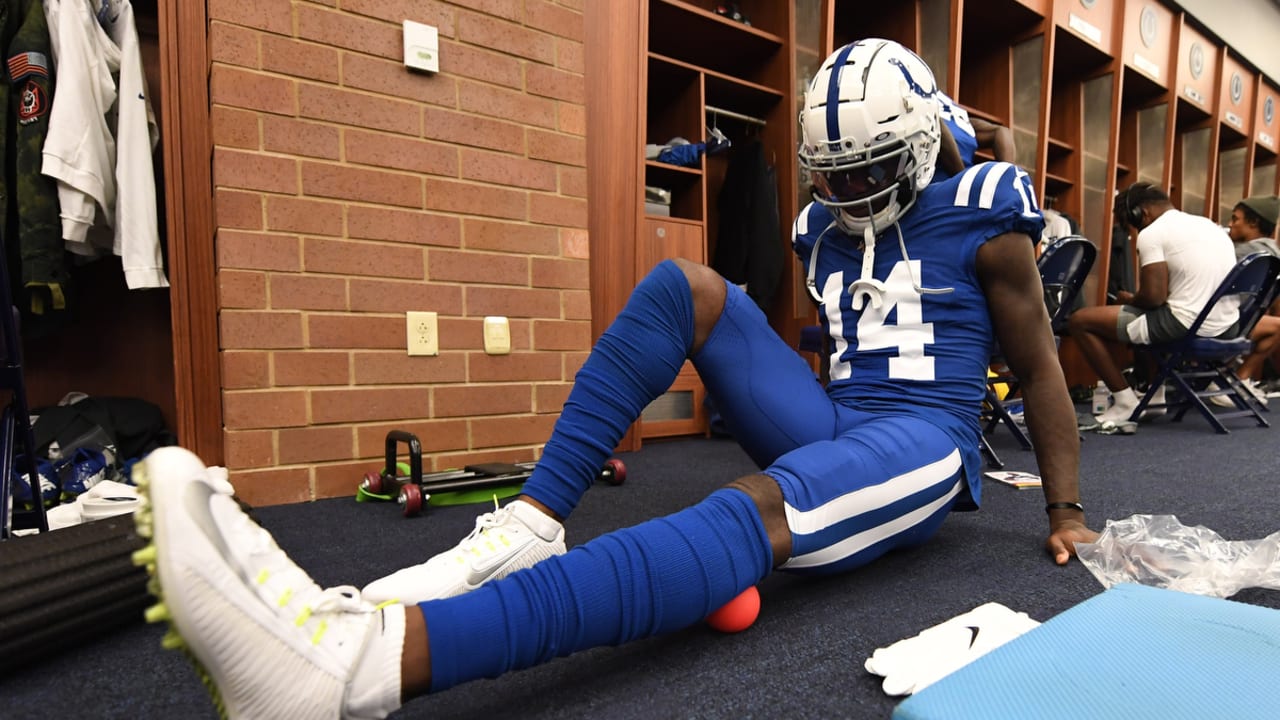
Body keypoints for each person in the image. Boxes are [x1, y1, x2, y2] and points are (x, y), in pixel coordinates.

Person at [130, 39, 1095, 719]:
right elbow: (831, 326)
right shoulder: (819, 225)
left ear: (923, 142)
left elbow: (1040, 368)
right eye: (829, 176)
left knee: (743, 510)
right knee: (689, 285)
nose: (843, 194)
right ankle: (529, 527)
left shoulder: (985, 213)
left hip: (924, 439)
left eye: (865, 172)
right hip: (842, 417)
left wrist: (1063, 509)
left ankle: (351, 669)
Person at [1067, 182, 1240, 432]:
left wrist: (1128, 299)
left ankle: (1125, 401)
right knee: (1143, 319)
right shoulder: (1210, 226)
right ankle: (1155, 397)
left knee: (1081, 321)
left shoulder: (1153, 232)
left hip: (1186, 325)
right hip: (1227, 326)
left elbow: (1153, 298)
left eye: (1133, 224)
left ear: (1142, 213)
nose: (1136, 231)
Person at [1210, 195, 1280, 407]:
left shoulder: (1239, 251)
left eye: (1235, 218)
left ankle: (1220, 379)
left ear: (1253, 223)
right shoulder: (1275, 255)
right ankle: (1240, 379)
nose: (1230, 224)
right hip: (1242, 325)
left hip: (1216, 325)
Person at [933, 90, 1016, 181]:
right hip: (944, 181)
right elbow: (937, 126)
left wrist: (1009, 180)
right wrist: (963, 180)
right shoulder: (925, 97)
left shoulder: (948, 106)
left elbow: (1000, 132)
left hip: (965, 179)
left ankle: (1010, 181)